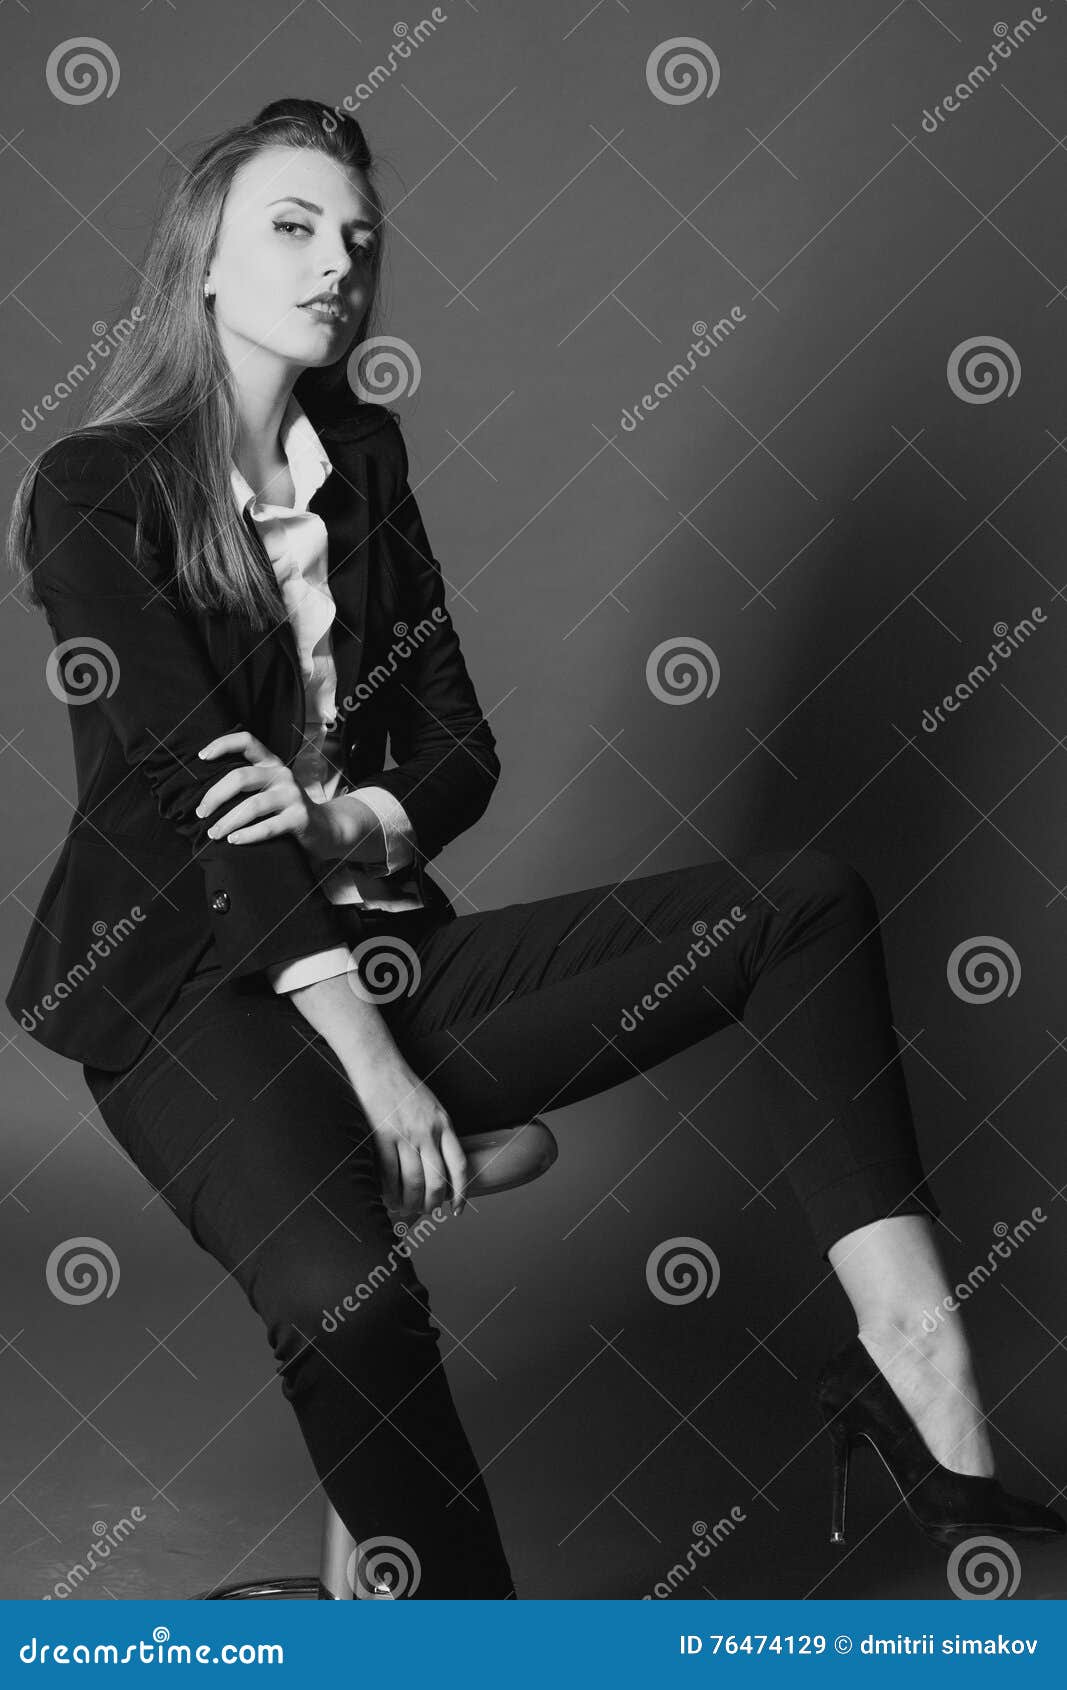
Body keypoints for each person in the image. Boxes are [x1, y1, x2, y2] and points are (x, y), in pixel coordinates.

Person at [6, 98, 1062, 1601]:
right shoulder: (95, 489)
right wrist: (377, 1071)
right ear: (204, 268)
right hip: (188, 991)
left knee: (805, 905)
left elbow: (456, 752)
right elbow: (198, 798)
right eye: (293, 230)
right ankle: (454, 1624)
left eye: (358, 242)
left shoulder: (359, 462)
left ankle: (926, 1393)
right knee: (346, 1293)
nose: (336, 266)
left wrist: (343, 815)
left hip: (386, 948)